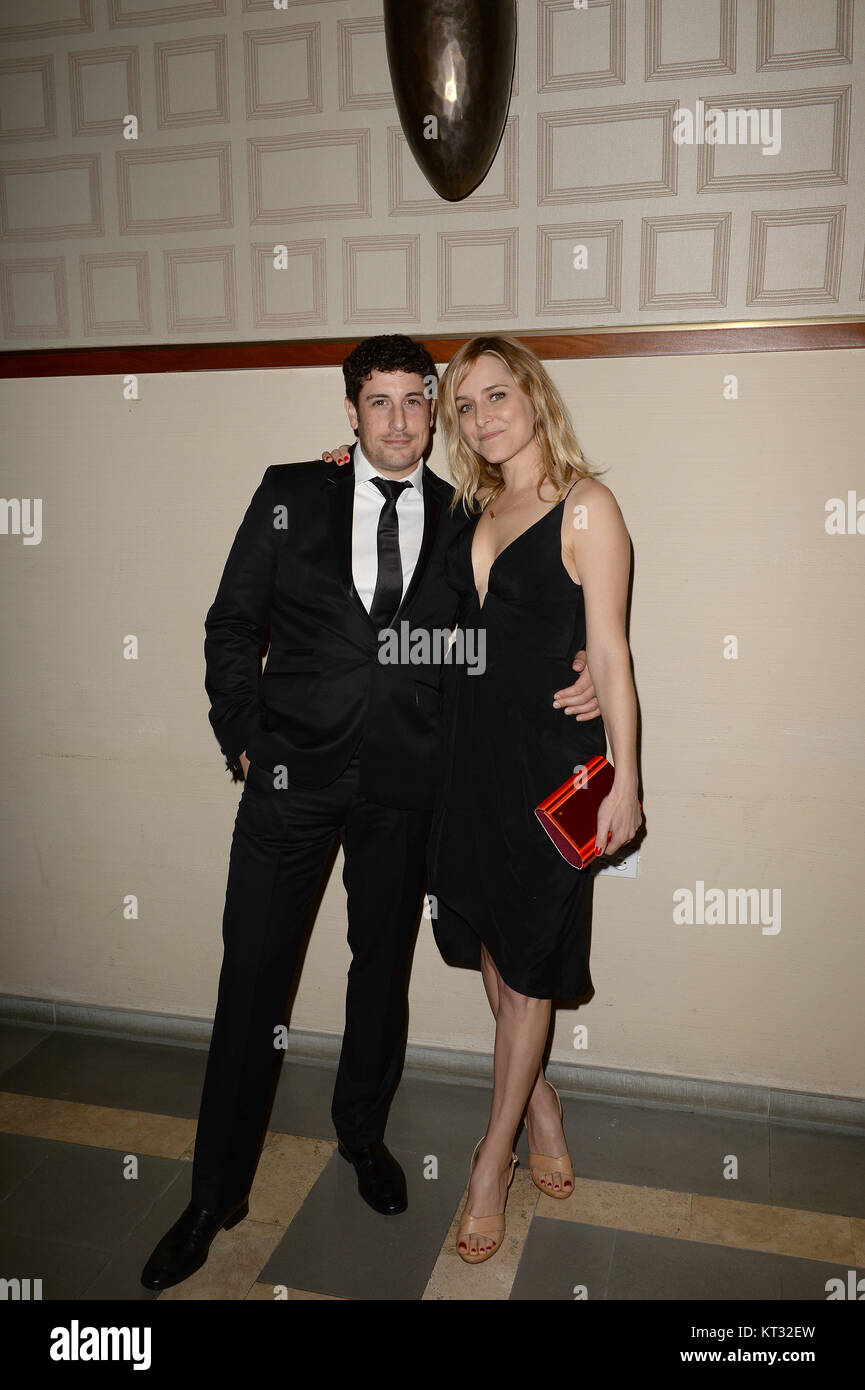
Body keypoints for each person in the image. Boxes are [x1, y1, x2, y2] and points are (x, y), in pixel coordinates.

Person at [140, 334, 600, 1291]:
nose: (400, 420)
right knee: (251, 984)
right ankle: (211, 1194)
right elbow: (232, 622)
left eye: (416, 402)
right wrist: (242, 734)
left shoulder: (463, 512)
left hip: (406, 790)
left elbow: (487, 641)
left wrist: (584, 664)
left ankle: (361, 1136)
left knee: (378, 971)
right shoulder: (287, 492)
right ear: (350, 411)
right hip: (288, 784)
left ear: (433, 412)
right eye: (379, 402)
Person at [427, 334, 643, 1262]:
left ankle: (490, 1161)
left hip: (550, 771)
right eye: (464, 407)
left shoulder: (587, 506)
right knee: (484, 938)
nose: (480, 418)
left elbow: (612, 653)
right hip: (464, 762)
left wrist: (626, 779)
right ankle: (540, 1101)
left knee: (526, 970)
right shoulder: (465, 507)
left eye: (495, 396)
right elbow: (448, 644)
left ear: (533, 395)